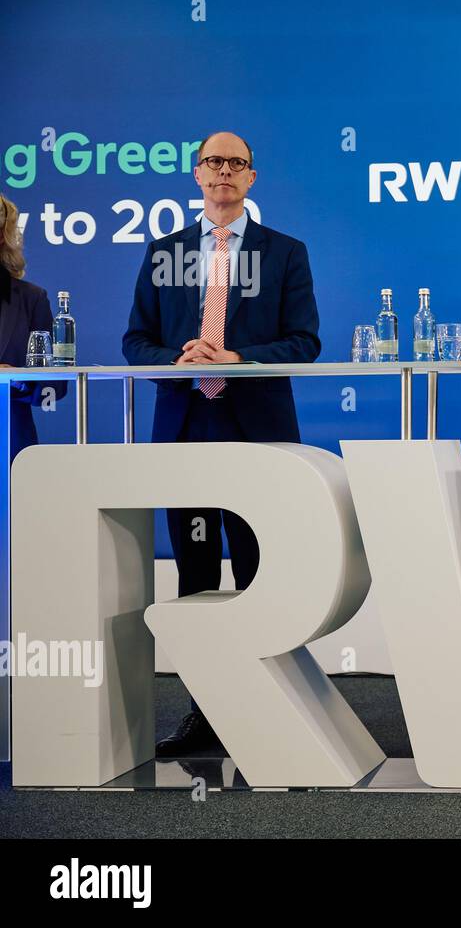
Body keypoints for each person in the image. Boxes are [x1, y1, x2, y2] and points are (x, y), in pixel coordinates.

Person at [122, 131, 321, 755]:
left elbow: (304, 342)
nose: (224, 173)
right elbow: (135, 342)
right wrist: (179, 359)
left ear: (252, 179)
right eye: (214, 163)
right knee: (196, 577)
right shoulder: (164, 252)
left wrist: (235, 357)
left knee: (260, 570)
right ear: (196, 174)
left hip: (256, 431)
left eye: (237, 164)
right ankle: (206, 713)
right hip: (186, 427)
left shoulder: (285, 253)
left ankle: (268, 708)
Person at [0, 194, 68, 459]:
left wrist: (17, 380)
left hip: (10, 447)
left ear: (2, 236)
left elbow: (55, 387)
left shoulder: (31, 299)